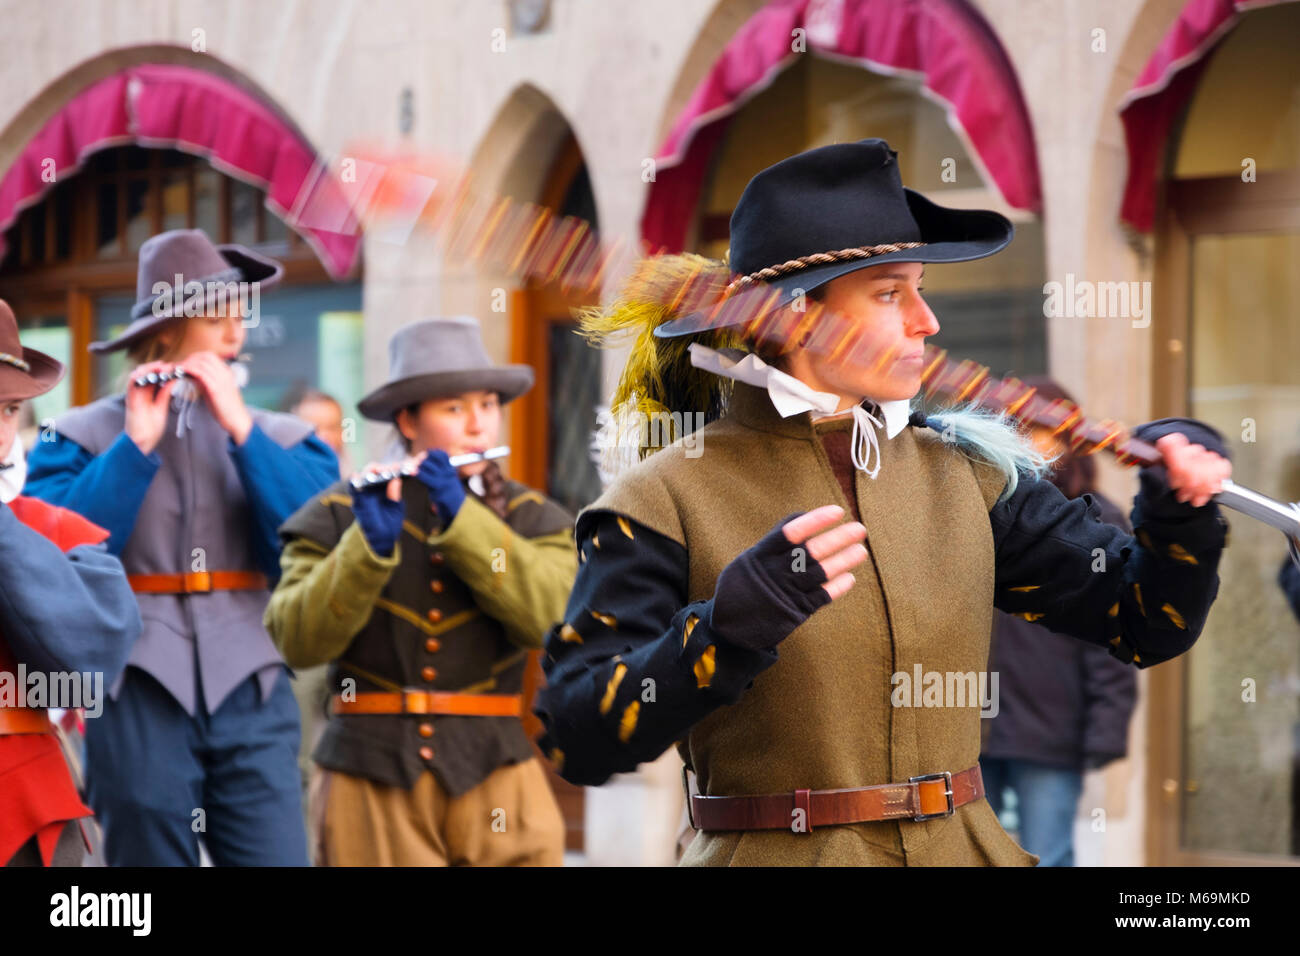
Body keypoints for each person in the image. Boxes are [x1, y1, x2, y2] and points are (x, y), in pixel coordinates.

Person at [533, 139, 1233, 866]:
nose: (926, 321)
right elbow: (575, 736)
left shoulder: (970, 475)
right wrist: (721, 634)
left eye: (920, 287)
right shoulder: (662, 497)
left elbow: (1146, 622)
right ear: (797, 318)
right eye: (891, 293)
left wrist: (1176, 508)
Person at [25, 229, 340, 866]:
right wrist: (133, 448)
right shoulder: (76, 435)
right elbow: (53, 561)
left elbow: (317, 544)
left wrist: (244, 431)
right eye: (216, 315)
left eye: (238, 315)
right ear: (166, 329)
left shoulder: (288, 437)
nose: (235, 332)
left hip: (253, 684)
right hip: (133, 687)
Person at [266, 316, 577, 866]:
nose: (479, 426)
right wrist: (365, 549)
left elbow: (551, 622)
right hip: (371, 779)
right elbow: (295, 641)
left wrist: (465, 522)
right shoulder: (339, 514)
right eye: (454, 409)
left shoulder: (537, 518)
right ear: (409, 421)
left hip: (498, 774)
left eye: (487, 405)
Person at [0, 299, 140, 866]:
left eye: (8, 408)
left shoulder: (53, 529)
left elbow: (94, 660)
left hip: (23, 809)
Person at [980, 377, 1138, 867]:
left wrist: (1105, 729)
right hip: (968, 728)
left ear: (1069, 436)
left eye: (1038, 429)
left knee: (1046, 856)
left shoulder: (1096, 519)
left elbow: (1118, 629)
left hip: (1050, 732)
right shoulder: (978, 505)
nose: (1025, 441)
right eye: (1014, 427)